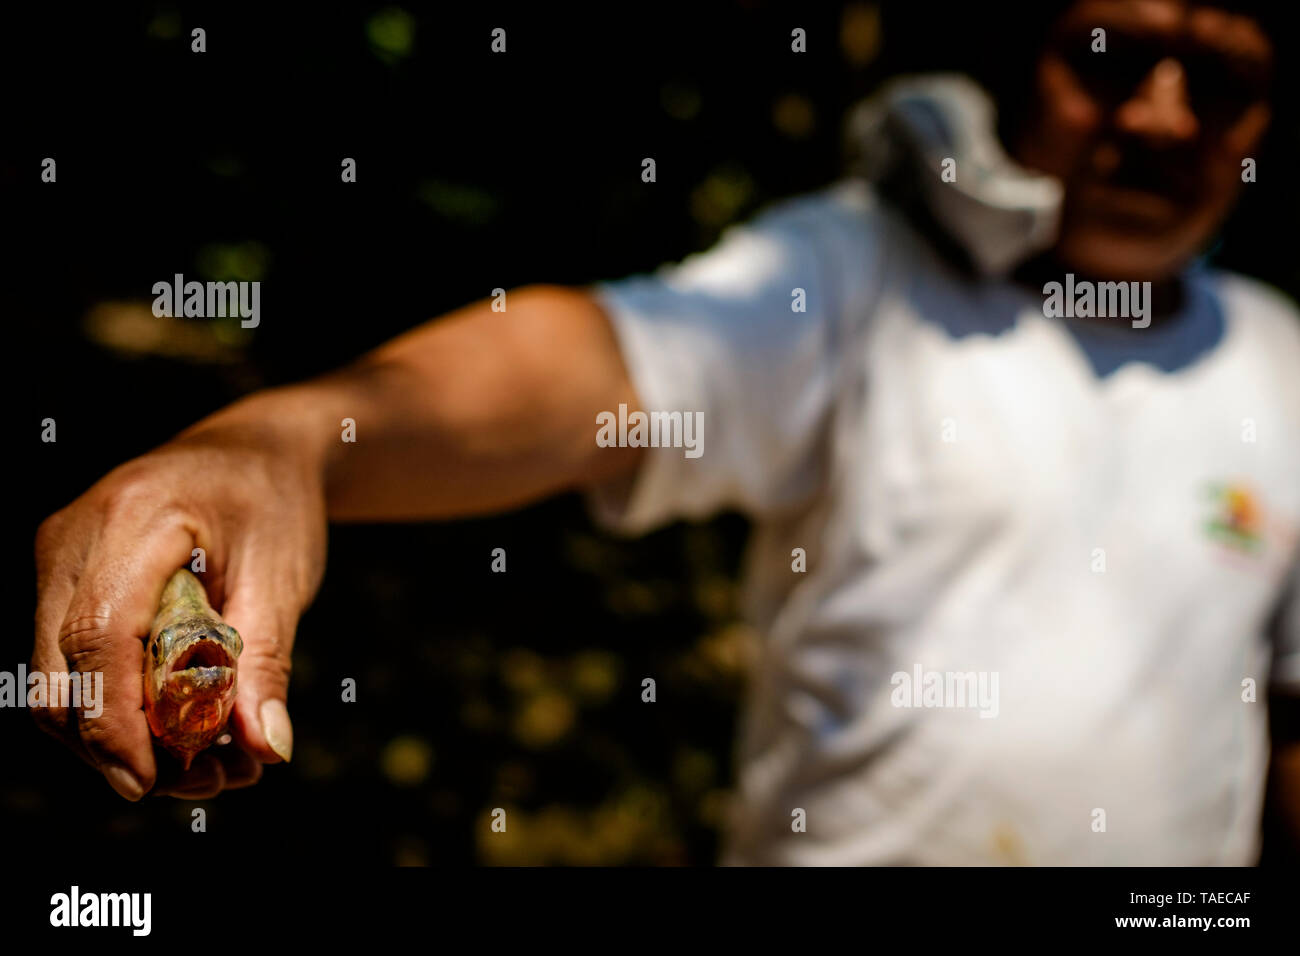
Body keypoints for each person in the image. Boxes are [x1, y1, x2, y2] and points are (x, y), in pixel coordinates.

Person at [31, 0, 1300, 863]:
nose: (1162, 117)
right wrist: (290, 439)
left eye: (1225, 80)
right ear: (1021, 58)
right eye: (1108, 56)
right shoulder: (864, 277)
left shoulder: (1280, 361)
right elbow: (598, 368)